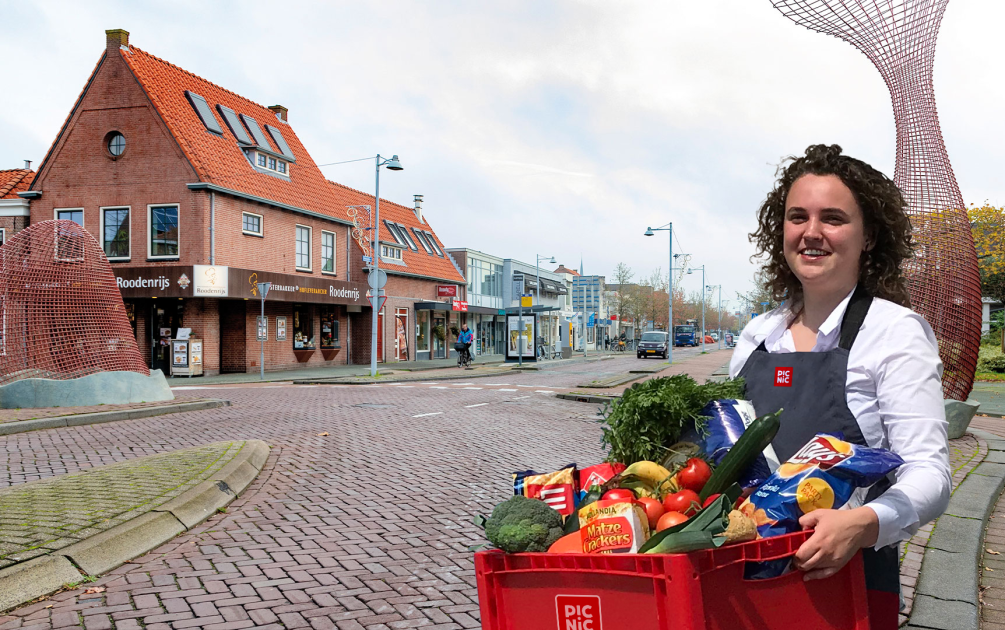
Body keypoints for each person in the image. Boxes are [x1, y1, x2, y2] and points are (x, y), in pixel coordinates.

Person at [729, 144, 950, 629]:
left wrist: (864, 524)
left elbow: (931, 474)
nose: (811, 232)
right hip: (741, 581)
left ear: (868, 236)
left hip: (844, 581)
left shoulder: (895, 332)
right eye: (797, 217)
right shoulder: (757, 334)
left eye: (833, 218)